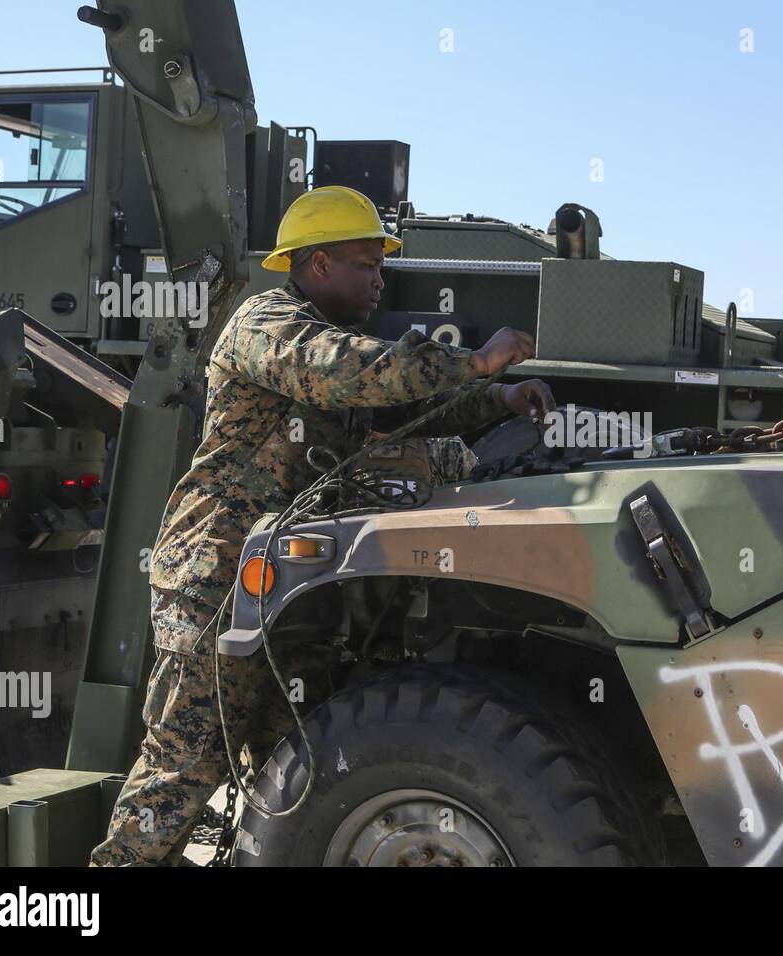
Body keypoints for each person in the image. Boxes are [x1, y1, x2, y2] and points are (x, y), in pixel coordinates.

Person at [90, 185, 554, 865]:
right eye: (366, 264)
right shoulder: (266, 326)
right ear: (317, 266)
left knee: (304, 764)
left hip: (288, 592)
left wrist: (497, 396)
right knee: (186, 767)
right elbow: (345, 375)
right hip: (215, 580)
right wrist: (476, 360)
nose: (379, 279)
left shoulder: (343, 345)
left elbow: (393, 405)